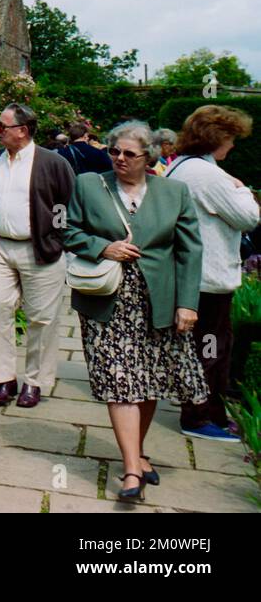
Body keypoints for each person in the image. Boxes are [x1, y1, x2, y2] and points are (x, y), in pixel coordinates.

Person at [62, 120, 208, 502]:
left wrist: (187, 303)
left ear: (149, 157)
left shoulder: (174, 193)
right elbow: (67, 230)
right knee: (120, 381)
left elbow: (190, 251)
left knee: (147, 382)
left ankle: (138, 453)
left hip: (157, 301)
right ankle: (130, 469)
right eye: (114, 151)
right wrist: (102, 246)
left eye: (129, 154)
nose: (120, 159)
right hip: (107, 302)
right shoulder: (89, 184)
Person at [0, 103, 75, 409]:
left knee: (41, 319)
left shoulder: (52, 163)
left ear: (23, 131)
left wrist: (57, 240)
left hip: (40, 250)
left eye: (2, 126)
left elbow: (68, 206)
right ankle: (4, 380)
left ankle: (34, 382)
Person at [165, 106, 259, 442]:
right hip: (208, 278)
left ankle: (211, 412)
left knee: (210, 345)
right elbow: (248, 217)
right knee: (209, 348)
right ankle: (197, 416)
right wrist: (243, 189)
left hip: (192, 274)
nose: (233, 146)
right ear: (218, 137)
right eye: (231, 138)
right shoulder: (210, 176)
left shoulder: (180, 167)